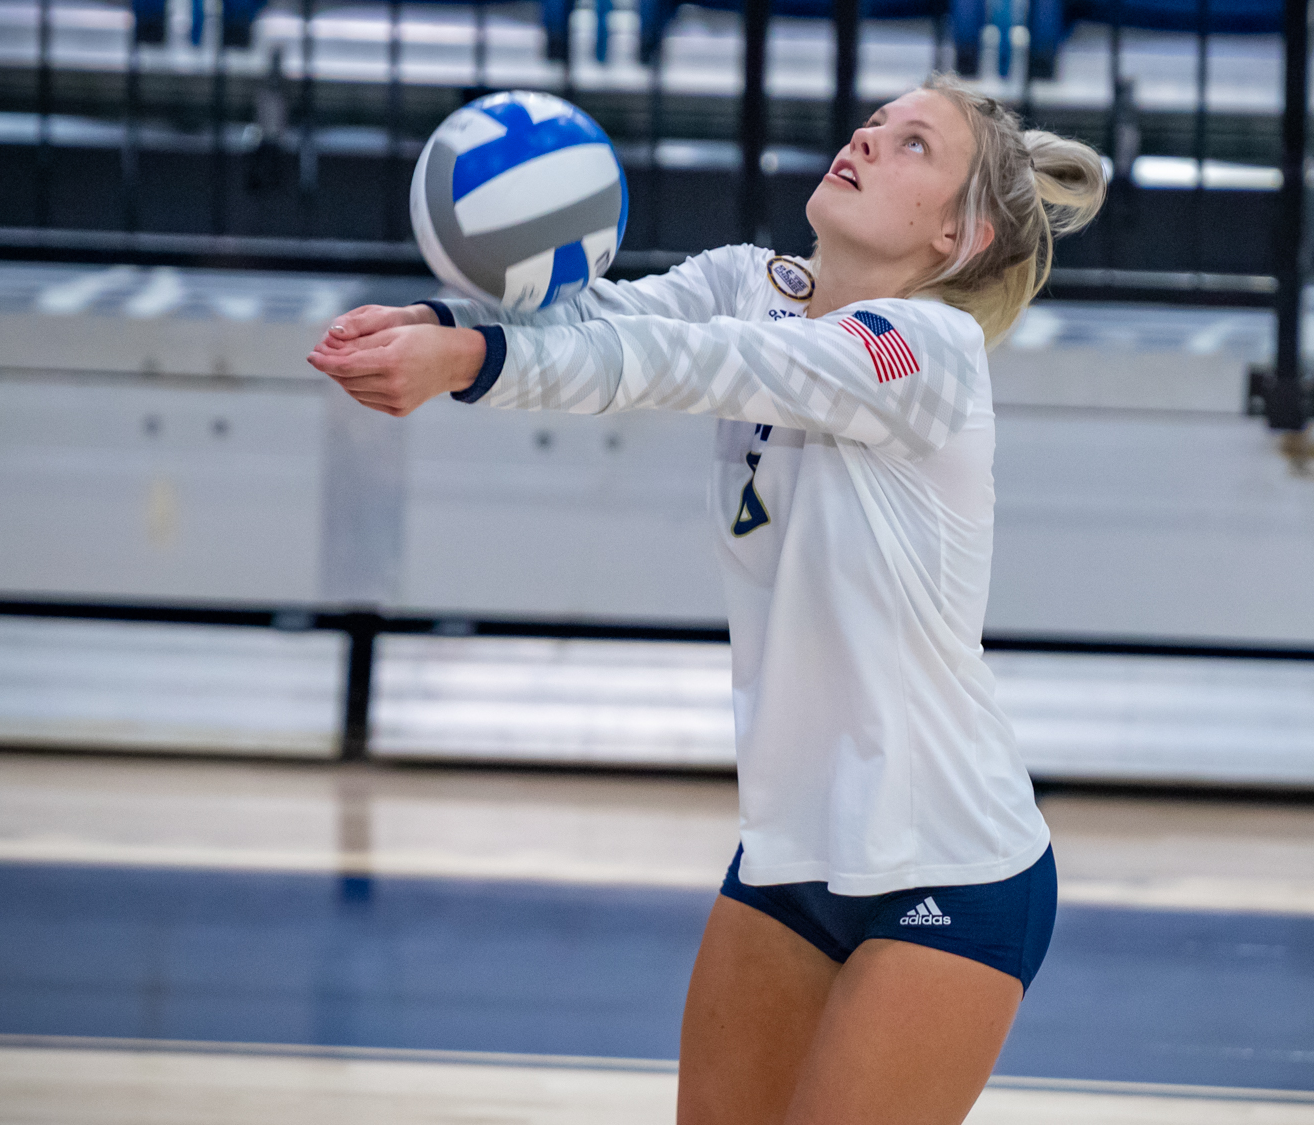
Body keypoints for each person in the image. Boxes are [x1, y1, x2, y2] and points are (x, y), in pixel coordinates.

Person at [307, 74, 1104, 1125]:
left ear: (957, 237)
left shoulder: (927, 353)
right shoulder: (749, 283)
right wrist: (441, 320)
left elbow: (698, 364)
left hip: (950, 865)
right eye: (875, 119)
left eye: (912, 144)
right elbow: (601, 323)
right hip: (789, 850)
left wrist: (473, 358)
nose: (867, 136)